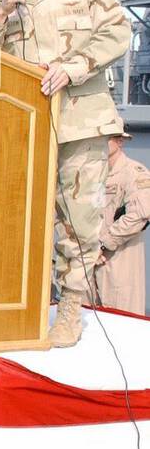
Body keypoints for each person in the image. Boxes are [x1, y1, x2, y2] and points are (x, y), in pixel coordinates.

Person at [0, 0, 131, 346]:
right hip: (23, 126)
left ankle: (71, 310)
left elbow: (119, 30)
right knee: (20, 220)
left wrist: (75, 66)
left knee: (78, 220)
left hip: (80, 120)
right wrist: (0, 17)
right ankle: (24, 304)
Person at [96, 132, 150, 314]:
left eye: (107, 137)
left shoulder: (134, 172)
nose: (100, 142)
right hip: (88, 264)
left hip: (118, 264)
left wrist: (102, 244)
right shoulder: (91, 174)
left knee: (120, 326)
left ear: (120, 141)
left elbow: (140, 215)